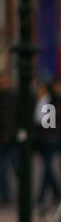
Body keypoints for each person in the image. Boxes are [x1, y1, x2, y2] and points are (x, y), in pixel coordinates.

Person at [35, 81, 61, 207]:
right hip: (45, 138)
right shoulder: (41, 101)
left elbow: (46, 122)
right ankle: (56, 193)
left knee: (47, 167)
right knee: (47, 168)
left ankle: (44, 196)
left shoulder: (48, 102)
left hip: (48, 139)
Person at [0, 73, 16, 204]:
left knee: (16, 166)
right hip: (2, 138)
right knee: (2, 167)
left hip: (12, 138)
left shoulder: (14, 96)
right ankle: (6, 195)